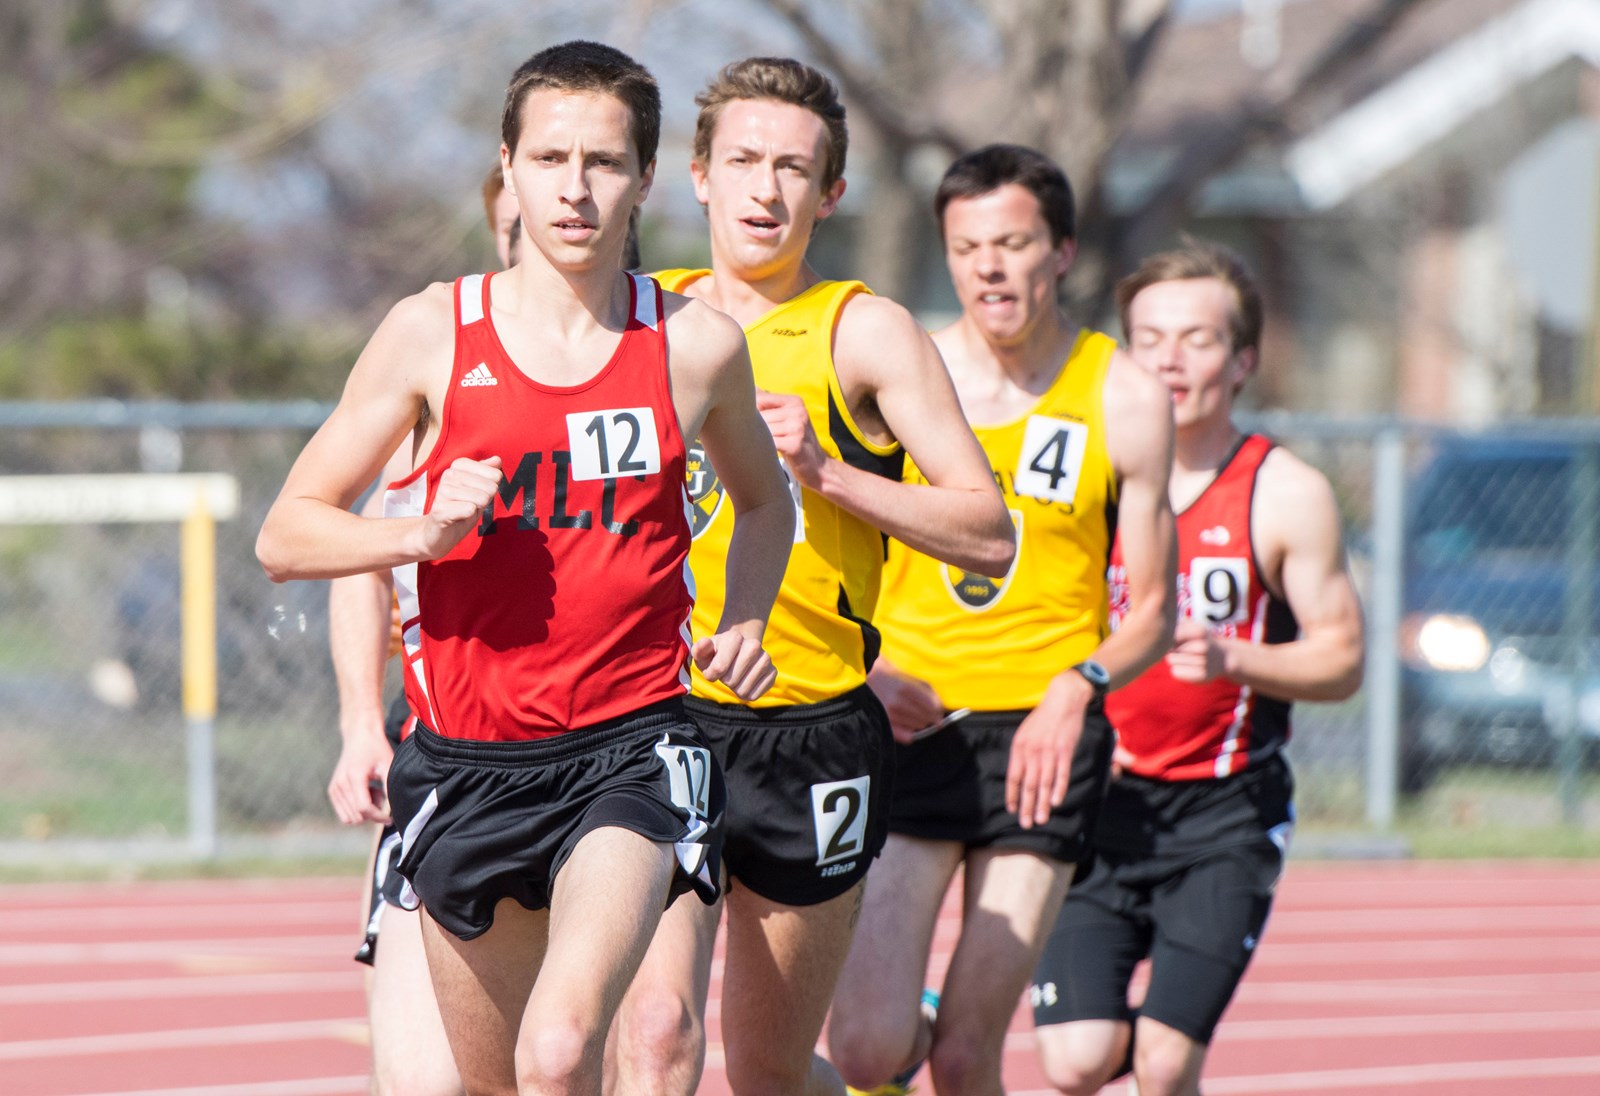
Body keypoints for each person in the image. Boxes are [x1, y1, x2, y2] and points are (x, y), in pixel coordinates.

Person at [258, 40, 795, 1096]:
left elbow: (767, 497)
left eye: (602, 162)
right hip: (466, 764)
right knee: (504, 1079)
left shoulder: (696, 346)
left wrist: (748, 613)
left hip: (630, 745)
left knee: (560, 1049)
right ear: (507, 168)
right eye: (549, 159)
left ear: (643, 178)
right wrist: (416, 536)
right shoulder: (429, 333)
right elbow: (288, 534)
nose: (575, 188)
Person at [611, 58, 1015, 1096]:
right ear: (695, 176)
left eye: (794, 168)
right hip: (660, 722)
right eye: (742, 160)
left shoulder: (861, 330)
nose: (765, 188)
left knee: (770, 1072)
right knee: (654, 1034)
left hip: (809, 736)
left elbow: (986, 531)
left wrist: (825, 474)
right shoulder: (637, 323)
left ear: (829, 194)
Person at [825, 145, 1177, 1096]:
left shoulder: (1123, 395)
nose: (988, 265)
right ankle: (912, 1015)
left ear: (1060, 252)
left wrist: (1080, 686)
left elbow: (1153, 609)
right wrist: (864, 674)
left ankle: (952, 1025)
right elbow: (822, 558)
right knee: (864, 1048)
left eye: (1012, 242)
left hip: (1041, 740)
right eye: (966, 245)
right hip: (909, 726)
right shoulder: (903, 378)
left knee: (973, 1058)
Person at [1029, 241, 1365, 1096]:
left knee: (1170, 1063)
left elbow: (1343, 656)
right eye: (1149, 338)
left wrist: (1233, 656)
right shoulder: (1079, 479)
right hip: (1099, 804)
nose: (1170, 359)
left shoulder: (1284, 490)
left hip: (1223, 816)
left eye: (1198, 338)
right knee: (1073, 1062)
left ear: (1243, 358)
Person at [322, 162, 521, 1096]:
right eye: (518, 216)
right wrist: (363, 719)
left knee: (591, 1062)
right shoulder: (437, 349)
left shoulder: (667, 353)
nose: (559, 214)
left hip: (618, 756)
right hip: (444, 747)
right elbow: (347, 544)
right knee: (425, 1082)